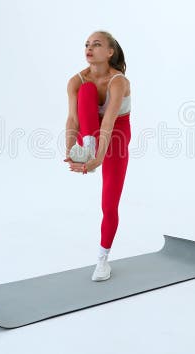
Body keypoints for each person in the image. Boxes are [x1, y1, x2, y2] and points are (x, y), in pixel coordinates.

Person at [64, 30, 132, 282]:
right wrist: (70, 150)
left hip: (116, 136)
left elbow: (109, 123)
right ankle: (87, 150)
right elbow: (73, 119)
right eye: (86, 45)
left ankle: (103, 260)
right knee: (86, 90)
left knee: (109, 205)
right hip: (90, 135)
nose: (89, 49)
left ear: (110, 52)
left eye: (96, 44)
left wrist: (100, 158)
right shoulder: (76, 81)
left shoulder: (119, 82)